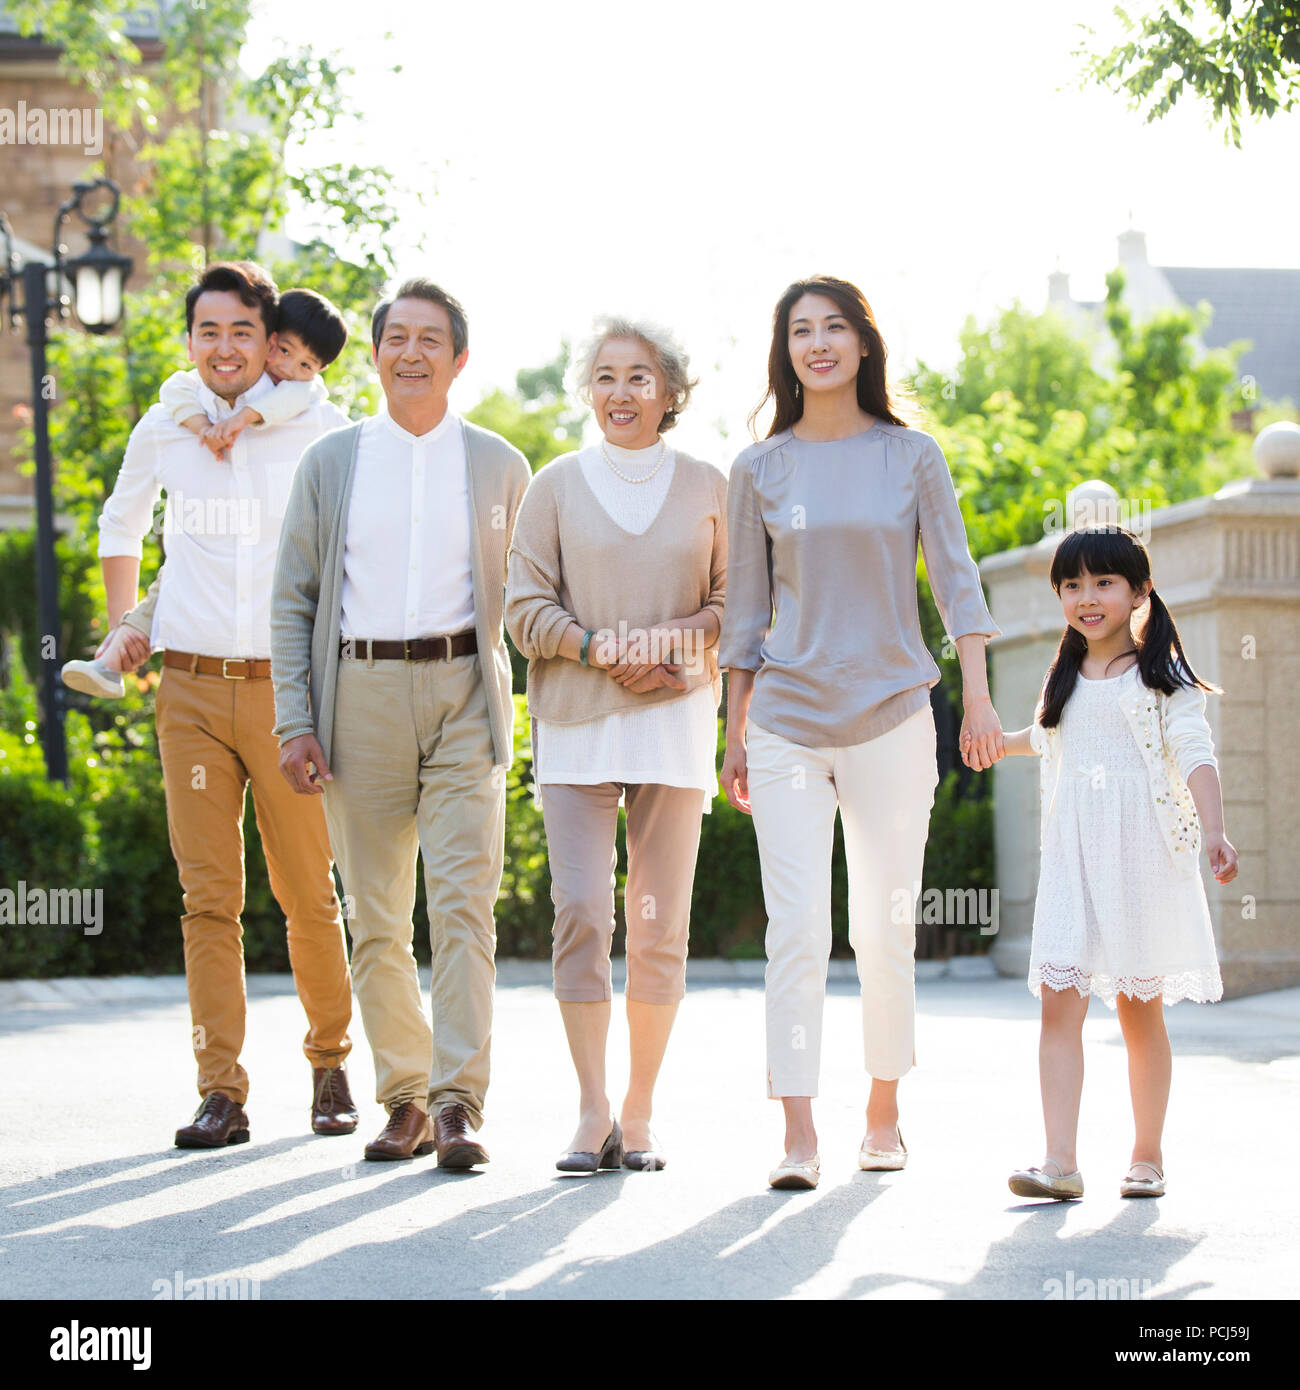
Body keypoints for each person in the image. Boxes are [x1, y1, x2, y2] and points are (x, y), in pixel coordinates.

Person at [718, 275, 1003, 1191]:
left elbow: (957, 581)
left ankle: (883, 1113)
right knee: (797, 928)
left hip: (893, 715)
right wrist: (734, 729)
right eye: (800, 330)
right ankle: (798, 1131)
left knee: (884, 927)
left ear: (864, 343)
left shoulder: (911, 455)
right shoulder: (758, 469)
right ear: (785, 352)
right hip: (787, 722)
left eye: (834, 326)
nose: (817, 343)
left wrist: (980, 699)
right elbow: (746, 614)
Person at [96, 260, 359, 1147]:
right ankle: (221, 1092)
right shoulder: (167, 425)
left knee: (308, 893)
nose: (224, 347)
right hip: (192, 694)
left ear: (268, 338)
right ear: (190, 340)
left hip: (290, 695)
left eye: (241, 330)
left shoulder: (323, 430)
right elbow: (120, 523)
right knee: (207, 898)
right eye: (207, 330)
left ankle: (330, 1065)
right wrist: (124, 627)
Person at [272, 277, 531, 1168]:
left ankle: (460, 1103)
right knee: (376, 915)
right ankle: (406, 1098)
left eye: (430, 340)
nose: (411, 353)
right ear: (376, 353)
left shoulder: (500, 466)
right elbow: (293, 599)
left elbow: (531, 595)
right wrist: (295, 720)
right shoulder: (331, 463)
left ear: (459, 359)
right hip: (360, 695)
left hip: (465, 693)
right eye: (397, 338)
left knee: (463, 906)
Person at [506, 317, 725, 1173]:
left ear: (669, 392)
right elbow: (523, 609)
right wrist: (598, 648)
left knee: (659, 925)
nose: (620, 392)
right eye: (605, 376)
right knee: (582, 916)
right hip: (575, 729)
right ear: (587, 391)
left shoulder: (709, 485)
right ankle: (591, 1108)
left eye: (639, 377)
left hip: (674, 724)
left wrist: (664, 645)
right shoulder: (555, 486)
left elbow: (739, 605)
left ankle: (639, 1113)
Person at [999, 526, 1236, 1201]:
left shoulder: (1161, 678)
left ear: (1139, 591)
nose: (1087, 597)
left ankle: (1146, 1156)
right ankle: (1059, 1162)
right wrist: (998, 743)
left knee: (1139, 1010)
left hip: (1138, 858)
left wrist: (1214, 829)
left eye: (1104, 582)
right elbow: (1050, 740)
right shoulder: (1064, 678)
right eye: (1072, 585)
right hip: (1071, 858)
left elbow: (1194, 751)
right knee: (1057, 1004)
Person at [66, 288, 348, 700]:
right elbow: (175, 390)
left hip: (288, 672)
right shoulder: (173, 415)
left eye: (305, 364)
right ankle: (113, 655)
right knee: (174, 576)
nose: (288, 368)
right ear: (269, 340)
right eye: (284, 351)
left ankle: (116, 650)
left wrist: (243, 419)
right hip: (192, 670)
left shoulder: (316, 414)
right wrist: (203, 427)